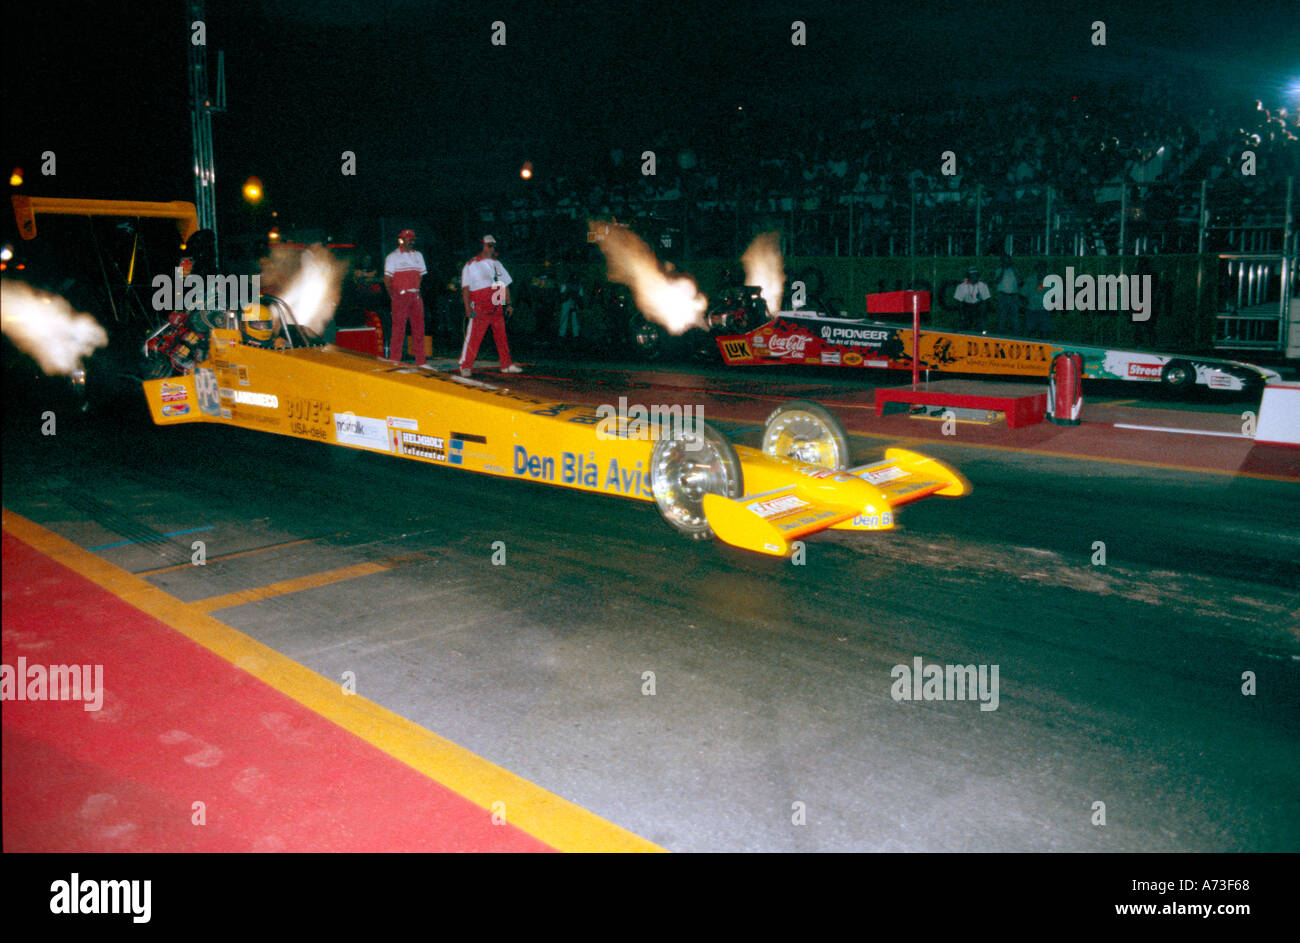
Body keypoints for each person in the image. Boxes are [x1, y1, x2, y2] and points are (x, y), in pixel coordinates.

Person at [459, 235, 522, 376]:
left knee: (501, 336)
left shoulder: (497, 263)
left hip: (496, 304)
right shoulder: (471, 265)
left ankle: (506, 364)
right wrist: (468, 308)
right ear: (482, 246)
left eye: (493, 246)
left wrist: (508, 304)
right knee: (474, 337)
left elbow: (504, 284)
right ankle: (465, 365)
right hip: (480, 306)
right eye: (489, 245)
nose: (492, 248)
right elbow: (466, 289)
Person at [383, 229, 426, 365]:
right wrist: (394, 296)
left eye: (413, 238)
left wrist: (415, 291)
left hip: (415, 295)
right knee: (398, 329)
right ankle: (395, 360)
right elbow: (387, 279)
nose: (412, 241)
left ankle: (421, 361)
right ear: (401, 240)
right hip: (400, 296)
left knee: (419, 329)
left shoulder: (418, 255)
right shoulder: (392, 257)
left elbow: (420, 275)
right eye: (409, 238)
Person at [1021, 261, 1052, 339]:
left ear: (1046, 269)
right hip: (1031, 310)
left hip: (1044, 310)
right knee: (1028, 332)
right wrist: (1023, 305)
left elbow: (1055, 296)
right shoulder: (1029, 279)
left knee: (1044, 332)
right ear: (1036, 268)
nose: (1041, 269)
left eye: (1043, 267)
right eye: (1039, 267)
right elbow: (1023, 294)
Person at [954, 267, 990, 332]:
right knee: (965, 327)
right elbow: (959, 302)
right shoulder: (962, 286)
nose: (975, 277)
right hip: (966, 307)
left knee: (980, 328)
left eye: (976, 275)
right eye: (972, 275)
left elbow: (985, 301)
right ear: (968, 276)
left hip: (978, 307)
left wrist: (982, 315)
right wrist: (962, 315)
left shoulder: (982, 285)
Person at [993, 253, 1022, 335]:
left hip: (1014, 296)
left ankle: (1015, 336)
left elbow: (1020, 281)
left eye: (1008, 260)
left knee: (1014, 318)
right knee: (1001, 317)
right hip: (1003, 296)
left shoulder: (1015, 270)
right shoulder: (998, 270)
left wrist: (1014, 270)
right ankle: (1000, 335)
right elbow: (997, 281)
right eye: (1004, 261)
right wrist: (1002, 269)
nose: (1006, 262)